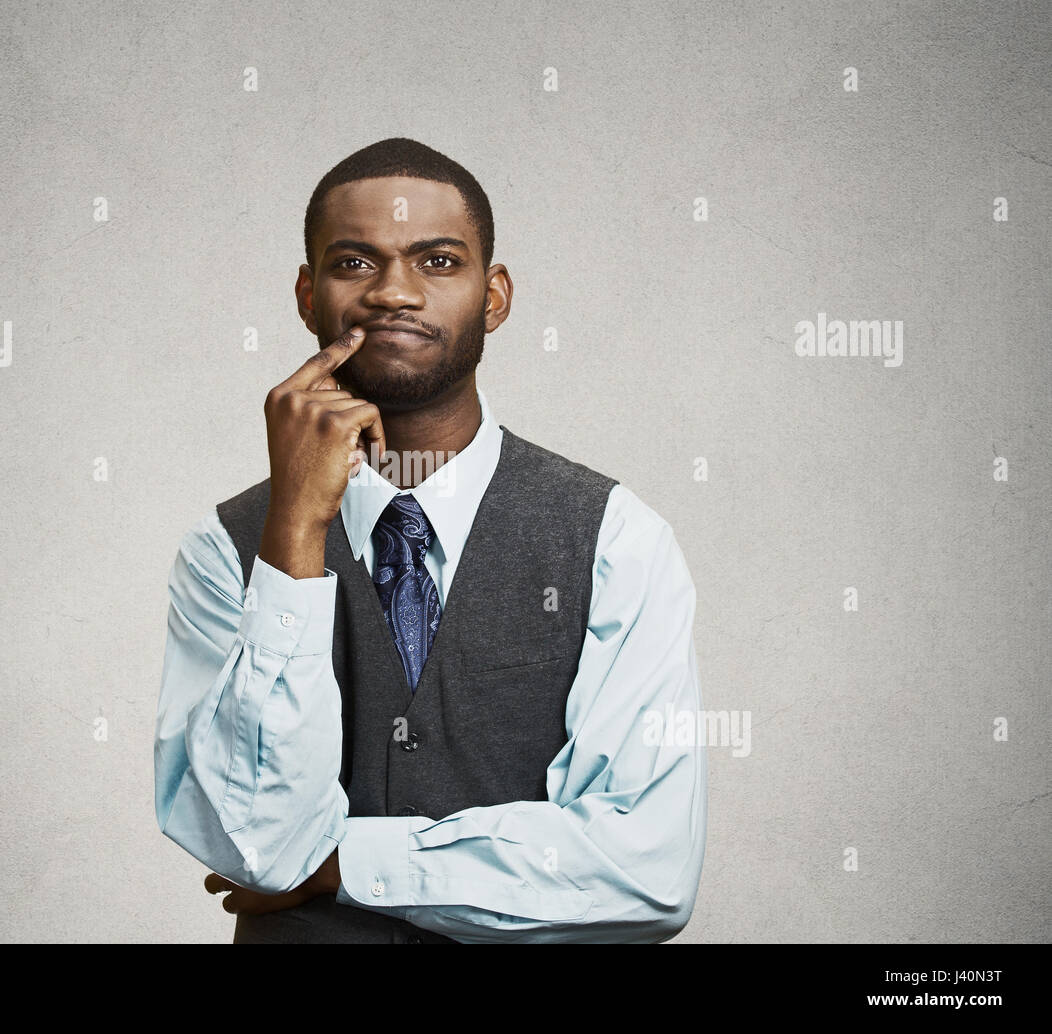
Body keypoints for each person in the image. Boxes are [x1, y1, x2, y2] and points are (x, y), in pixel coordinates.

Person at [154, 137, 707, 943]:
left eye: (439, 261)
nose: (394, 293)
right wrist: (295, 535)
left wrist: (344, 863)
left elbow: (647, 872)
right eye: (354, 263)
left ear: (496, 296)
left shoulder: (615, 540)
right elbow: (260, 849)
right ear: (308, 296)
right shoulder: (226, 549)